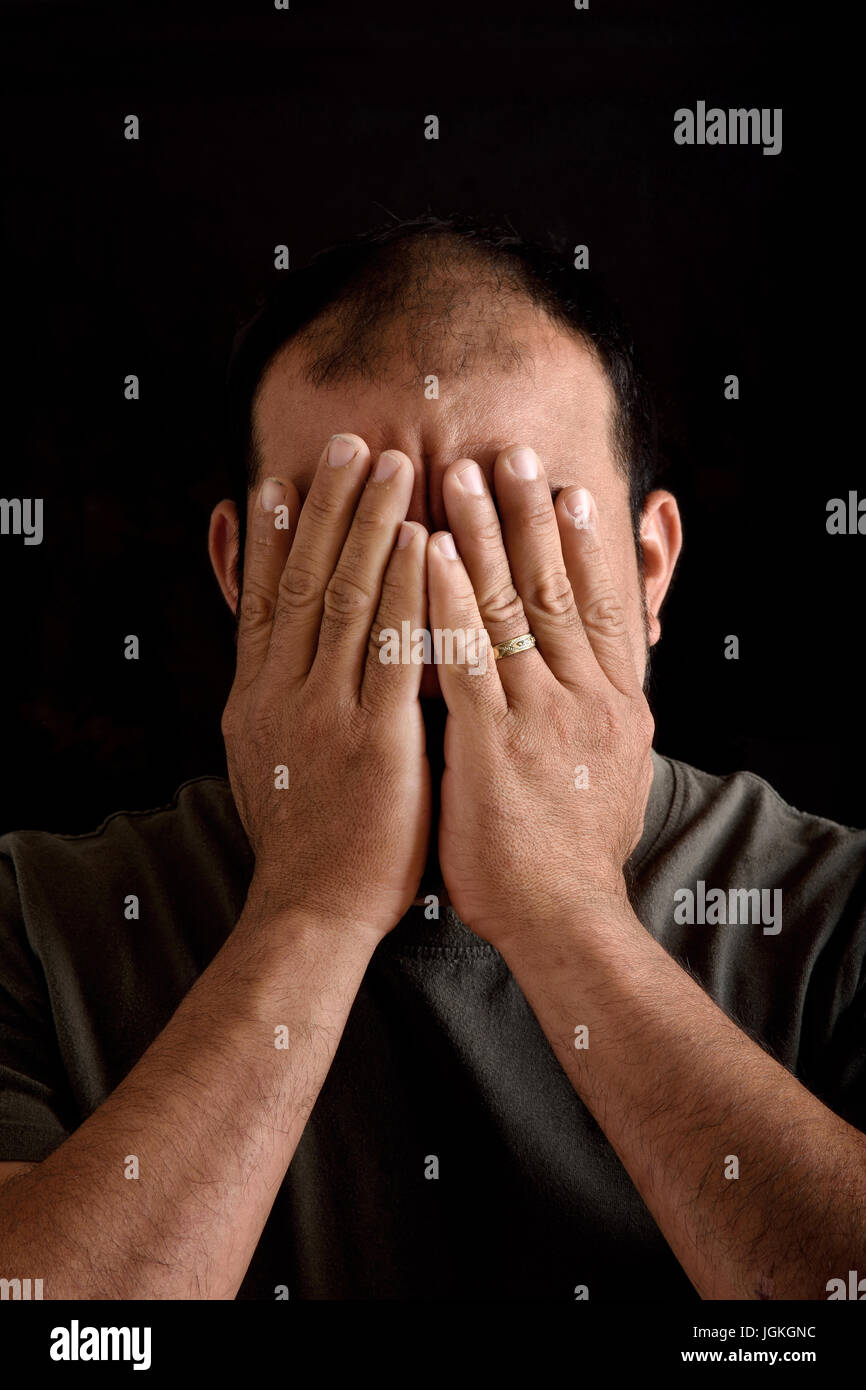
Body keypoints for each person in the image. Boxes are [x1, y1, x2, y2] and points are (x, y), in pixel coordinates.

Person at [0, 214, 864, 1301]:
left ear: (646, 571)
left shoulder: (834, 912)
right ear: (240, 572)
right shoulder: (37, 922)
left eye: (514, 530)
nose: (436, 617)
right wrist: (309, 911)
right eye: (351, 538)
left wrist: (566, 914)